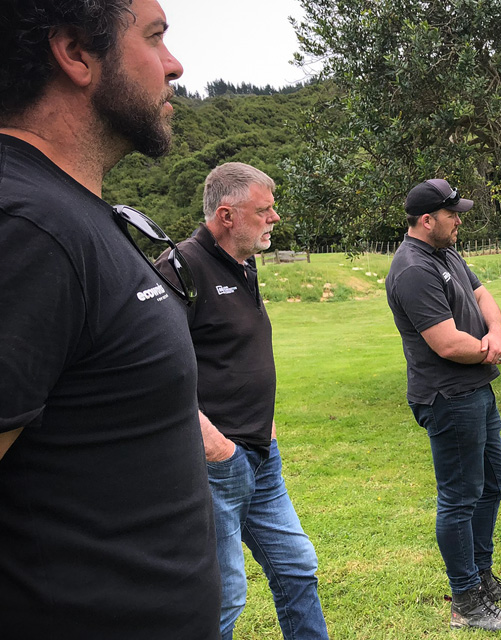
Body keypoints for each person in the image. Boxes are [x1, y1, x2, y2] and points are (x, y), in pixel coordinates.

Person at [0, 1, 220, 638]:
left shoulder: (70, 215)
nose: (174, 65)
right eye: (154, 39)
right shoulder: (26, 227)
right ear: (75, 53)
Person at [156, 162, 330, 640]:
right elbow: (152, 370)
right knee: (223, 593)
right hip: (215, 463)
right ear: (227, 215)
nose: (275, 218)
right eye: (265, 209)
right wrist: (214, 444)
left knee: (297, 565)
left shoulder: (243, 262)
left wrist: (265, 428)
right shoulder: (180, 268)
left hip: (261, 456)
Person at [385, 179, 501, 631]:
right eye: (453, 214)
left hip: (476, 390)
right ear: (427, 220)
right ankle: (466, 602)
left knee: (493, 480)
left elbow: (482, 295)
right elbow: (448, 343)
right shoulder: (413, 269)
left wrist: (497, 336)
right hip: (448, 397)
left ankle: (481, 579)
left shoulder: (445, 252)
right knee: (459, 496)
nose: (459, 221)